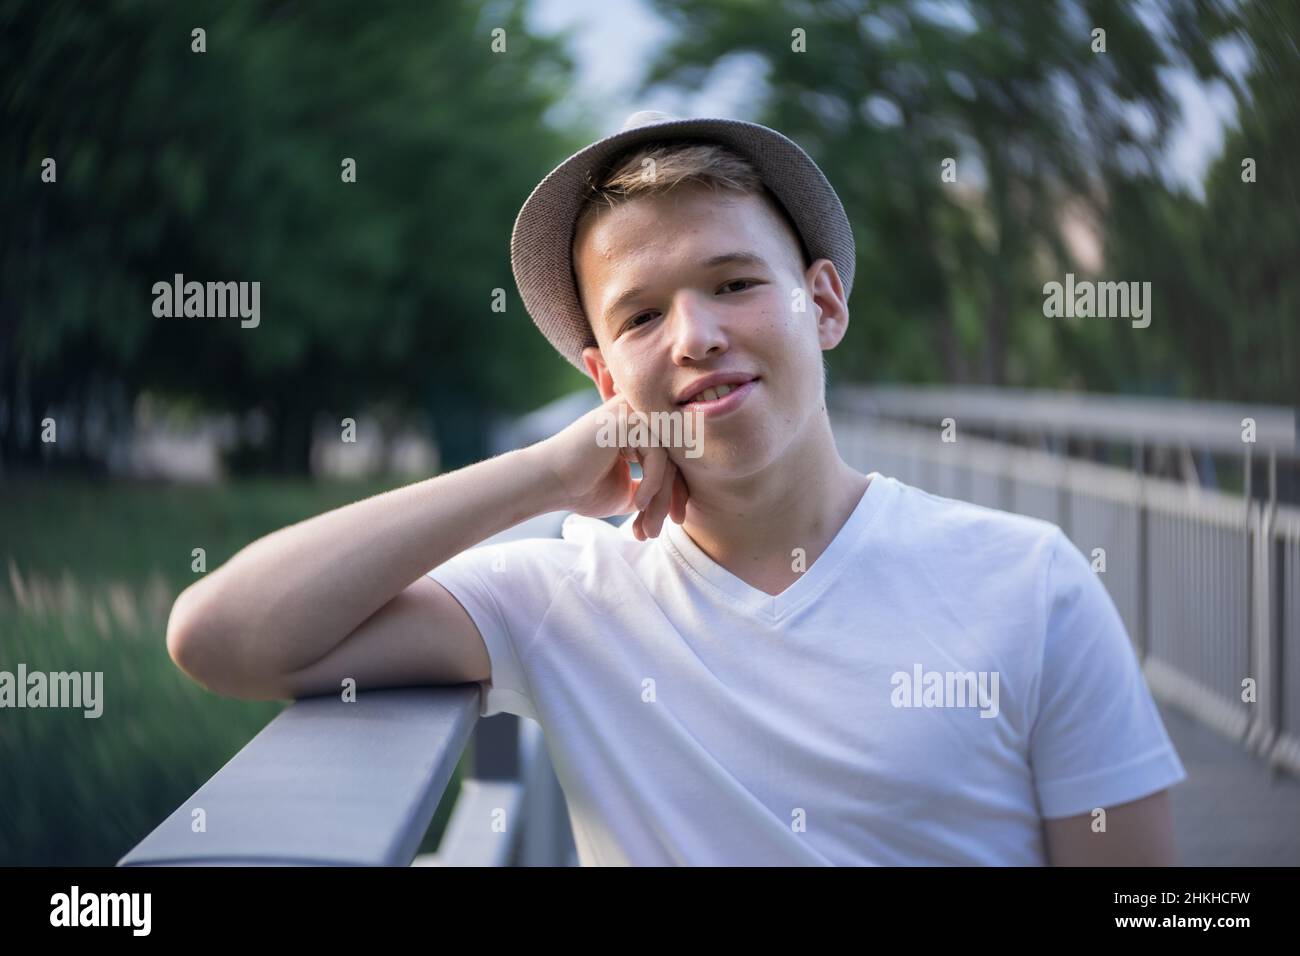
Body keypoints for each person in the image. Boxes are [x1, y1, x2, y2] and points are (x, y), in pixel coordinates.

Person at [166, 111, 1187, 866]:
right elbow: (221, 634)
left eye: (735, 282)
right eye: (641, 315)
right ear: (604, 378)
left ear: (821, 302)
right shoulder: (557, 599)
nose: (696, 335)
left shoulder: (1029, 579)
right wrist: (540, 474)